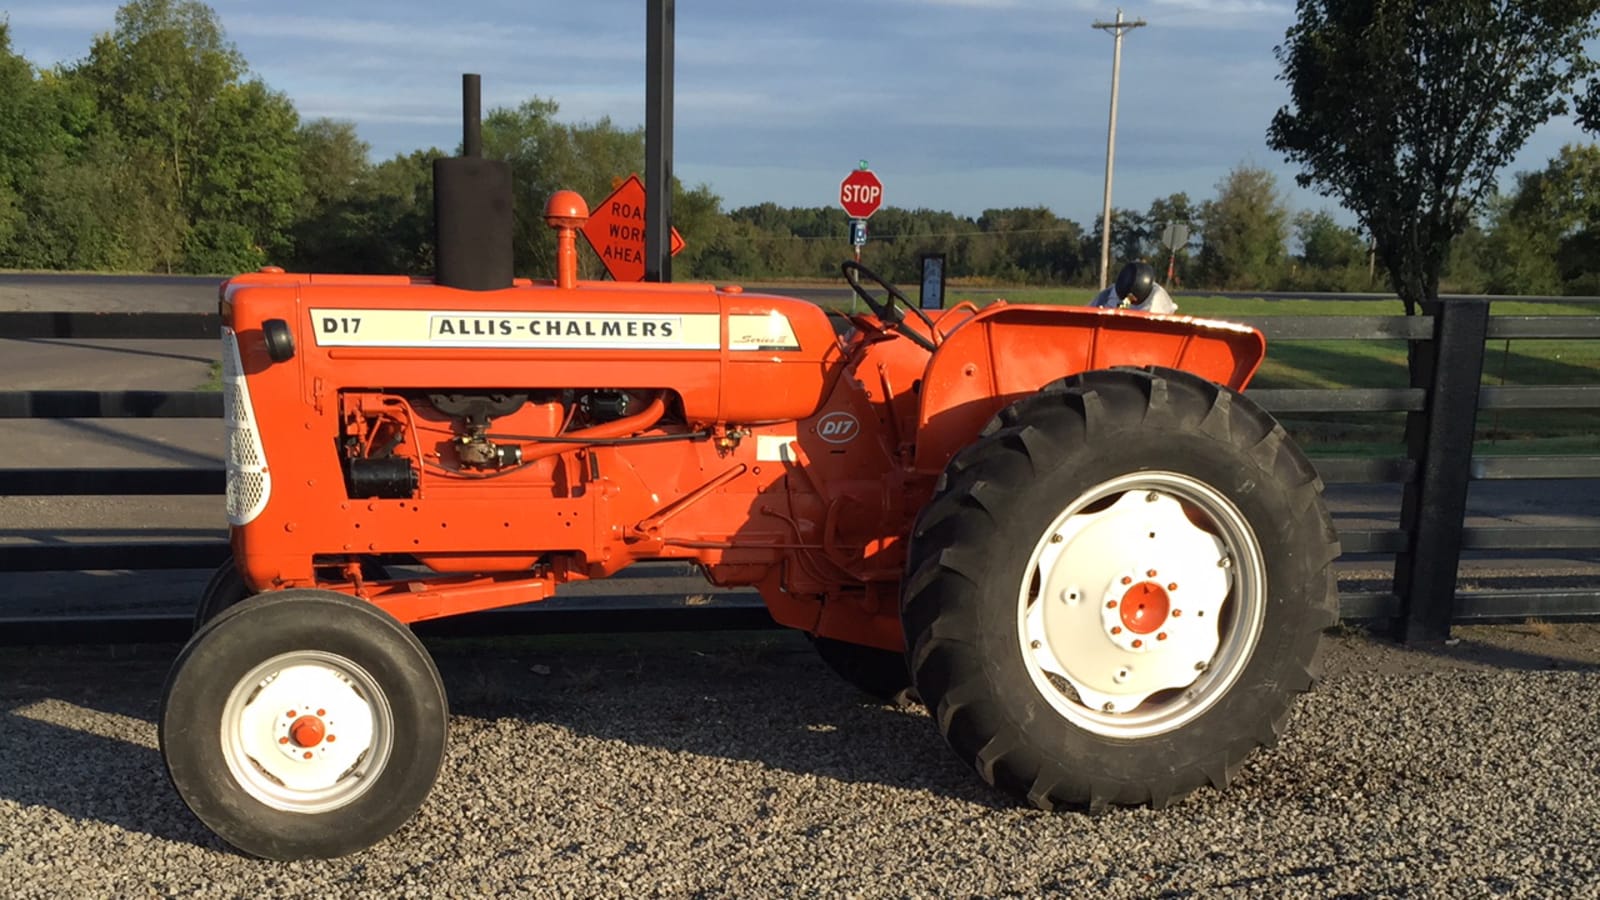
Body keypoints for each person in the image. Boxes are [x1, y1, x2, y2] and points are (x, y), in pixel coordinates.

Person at [1089, 261, 1177, 313]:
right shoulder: (1110, 293)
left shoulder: (1156, 299)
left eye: (1130, 299)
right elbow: (1092, 313)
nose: (1127, 301)